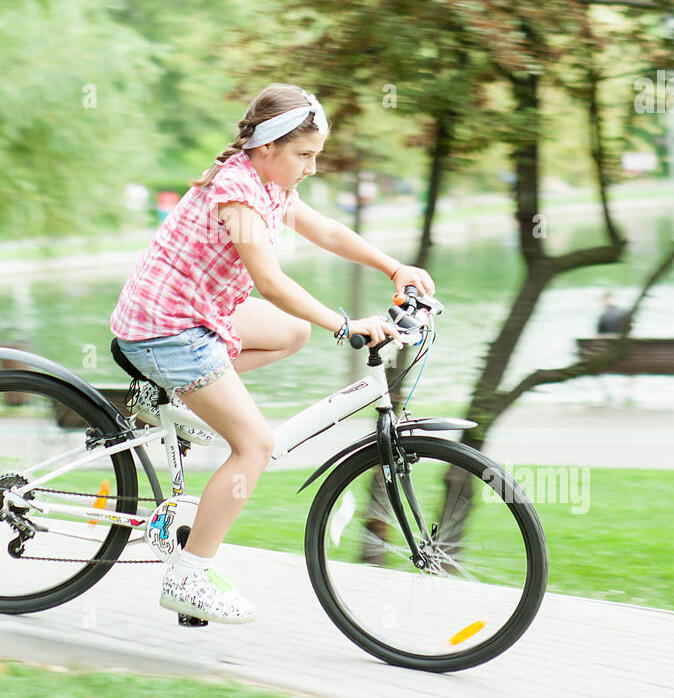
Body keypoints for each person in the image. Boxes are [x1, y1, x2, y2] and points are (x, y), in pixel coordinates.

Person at [109, 83, 435, 624]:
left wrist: (393, 267)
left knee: (291, 334)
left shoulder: (269, 183)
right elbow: (271, 281)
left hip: (198, 312)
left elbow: (326, 231)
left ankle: (164, 393)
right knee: (254, 445)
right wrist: (347, 324)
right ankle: (188, 577)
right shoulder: (237, 195)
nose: (311, 166)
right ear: (267, 147)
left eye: (317, 155)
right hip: (166, 328)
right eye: (304, 155)